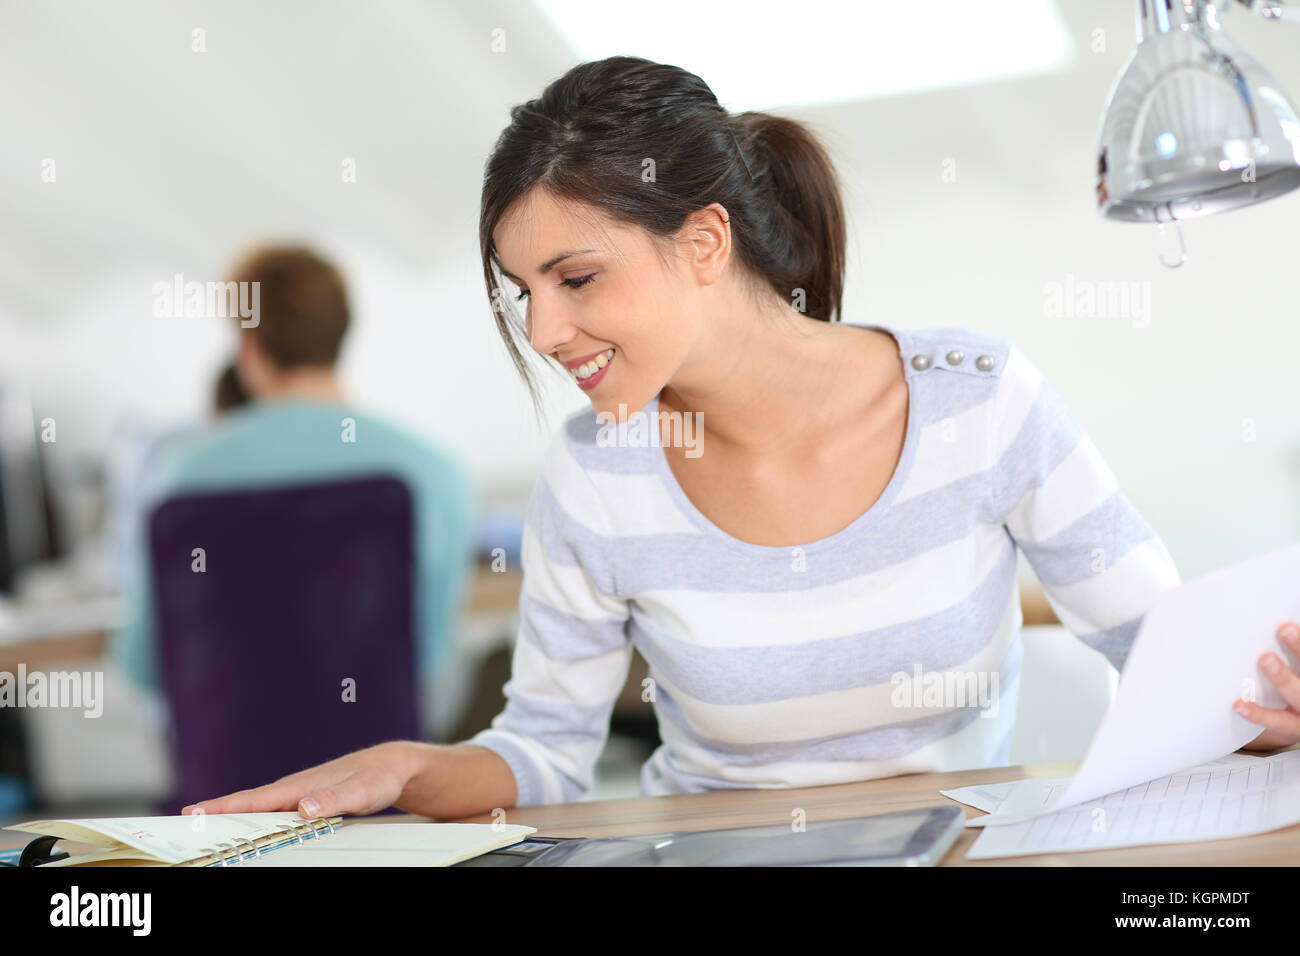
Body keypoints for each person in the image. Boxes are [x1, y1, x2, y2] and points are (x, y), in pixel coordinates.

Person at [184, 57, 1300, 823]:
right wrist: (409, 766)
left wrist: (1268, 708)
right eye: (523, 292)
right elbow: (545, 755)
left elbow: (1172, 664)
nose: (544, 330)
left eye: (576, 278)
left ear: (706, 241)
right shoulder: (594, 472)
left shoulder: (980, 400)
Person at [113, 246, 476, 720]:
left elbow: (143, 664)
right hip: (383, 758)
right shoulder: (433, 472)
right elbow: (430, 660)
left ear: (249, 347)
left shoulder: (177, 477)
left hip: (229, 762)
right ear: (341, 335)